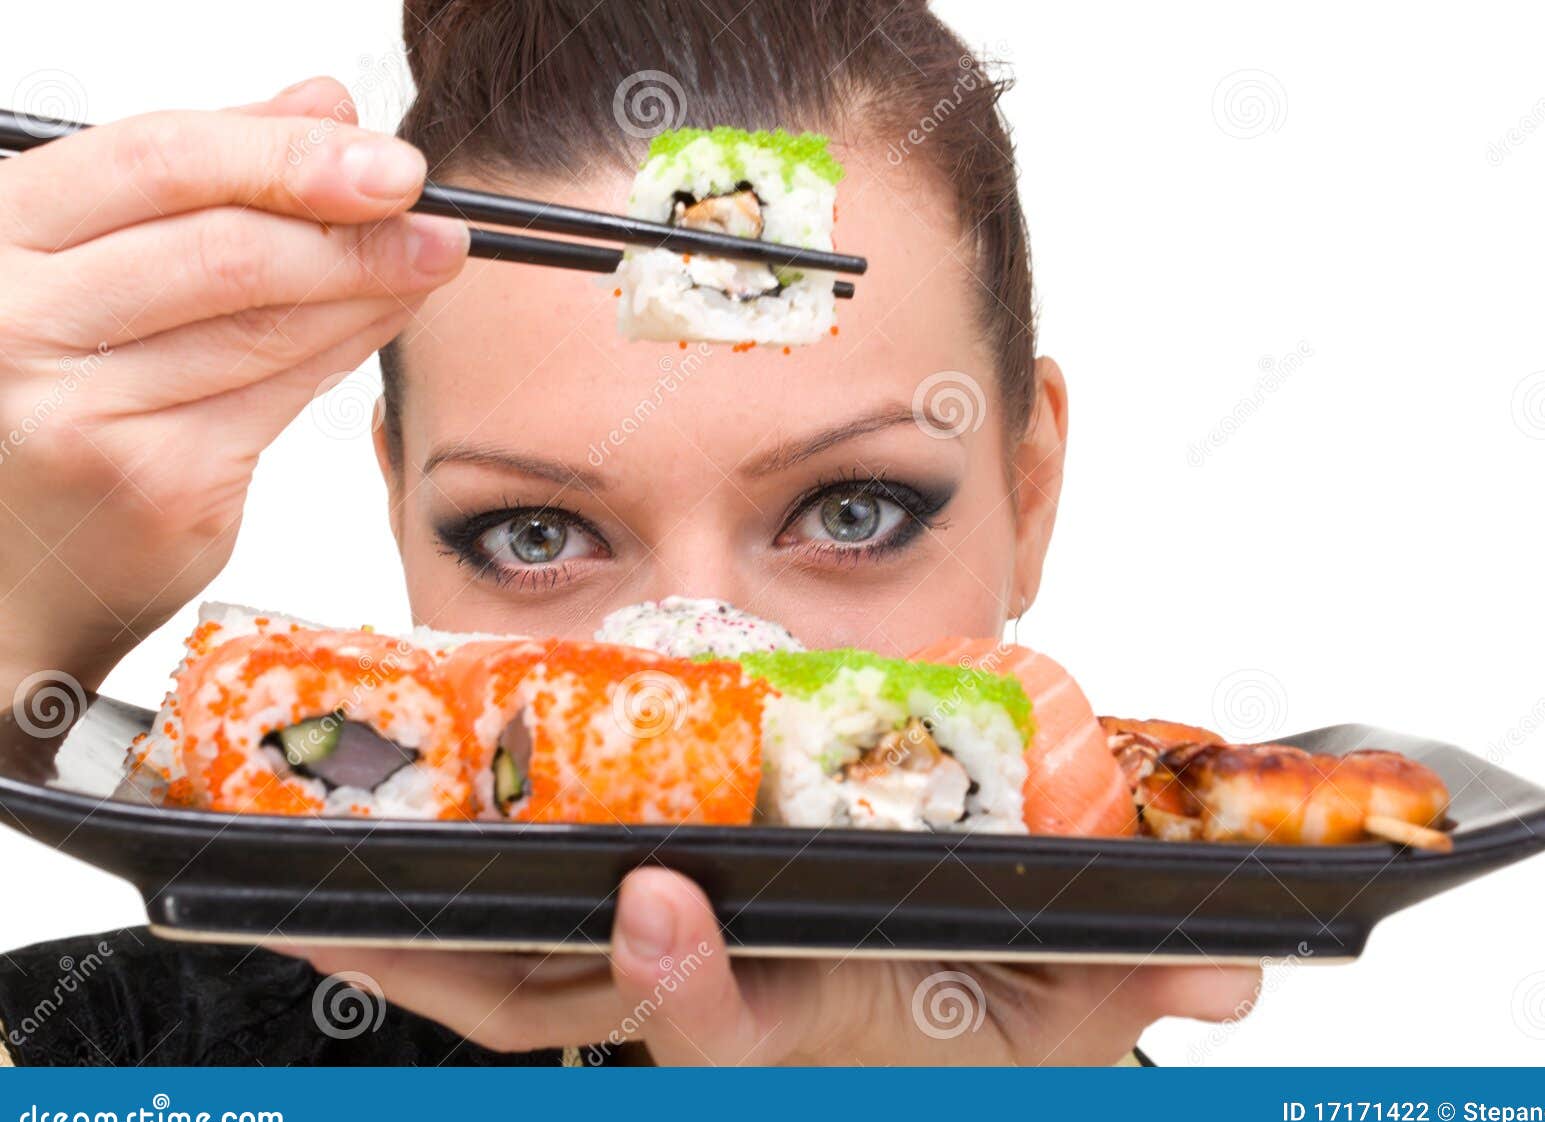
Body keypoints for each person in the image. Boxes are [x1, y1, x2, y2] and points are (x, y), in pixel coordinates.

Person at [0, 0, 1259, 1065]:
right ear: (399, 511)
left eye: (849, 512)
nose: (694, 662)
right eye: (537, 532)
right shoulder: (104, 1054)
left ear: (1028, 488)